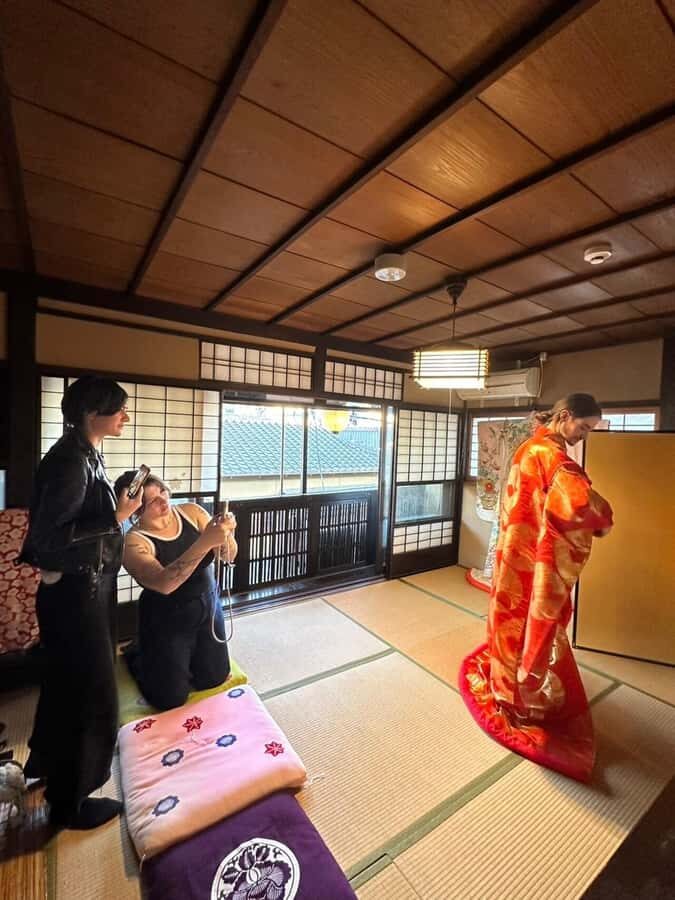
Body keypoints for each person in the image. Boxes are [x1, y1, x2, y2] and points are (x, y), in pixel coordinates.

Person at [459, 393, 613, 783]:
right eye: (582, 427)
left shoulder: (529, 446)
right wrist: (605, 517)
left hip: (514, 548)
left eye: (590, 431)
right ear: (564, 416)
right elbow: (578, 505)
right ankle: (524, 701)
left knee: (510, 620)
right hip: (537, 558)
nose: (582, 437)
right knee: (535, 624)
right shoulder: (554, 458)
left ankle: (504, 683)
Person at [19, 376, 143, 829]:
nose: (125, 418)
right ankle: (71, 801)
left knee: (65, 686)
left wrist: (117, 515)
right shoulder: (70, 462)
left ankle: (48, 765)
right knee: (90, 695)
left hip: (83, 591)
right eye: (120, 410)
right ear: (94, 413)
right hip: (75, 595)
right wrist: (118, 516)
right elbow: (49, 539)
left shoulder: (83, 452)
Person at [113, 473, 236, 711]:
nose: (163, 501)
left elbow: (229, 555)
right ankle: (138, 653)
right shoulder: (133, 542)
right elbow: (164, 583)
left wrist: (226, 534)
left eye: (163, 491)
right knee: (170, 699)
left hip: (207, 607)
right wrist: (205, 542)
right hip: (167, 620)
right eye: (152, 501)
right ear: (136, 510)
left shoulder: (192, 512)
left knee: (214, 679)